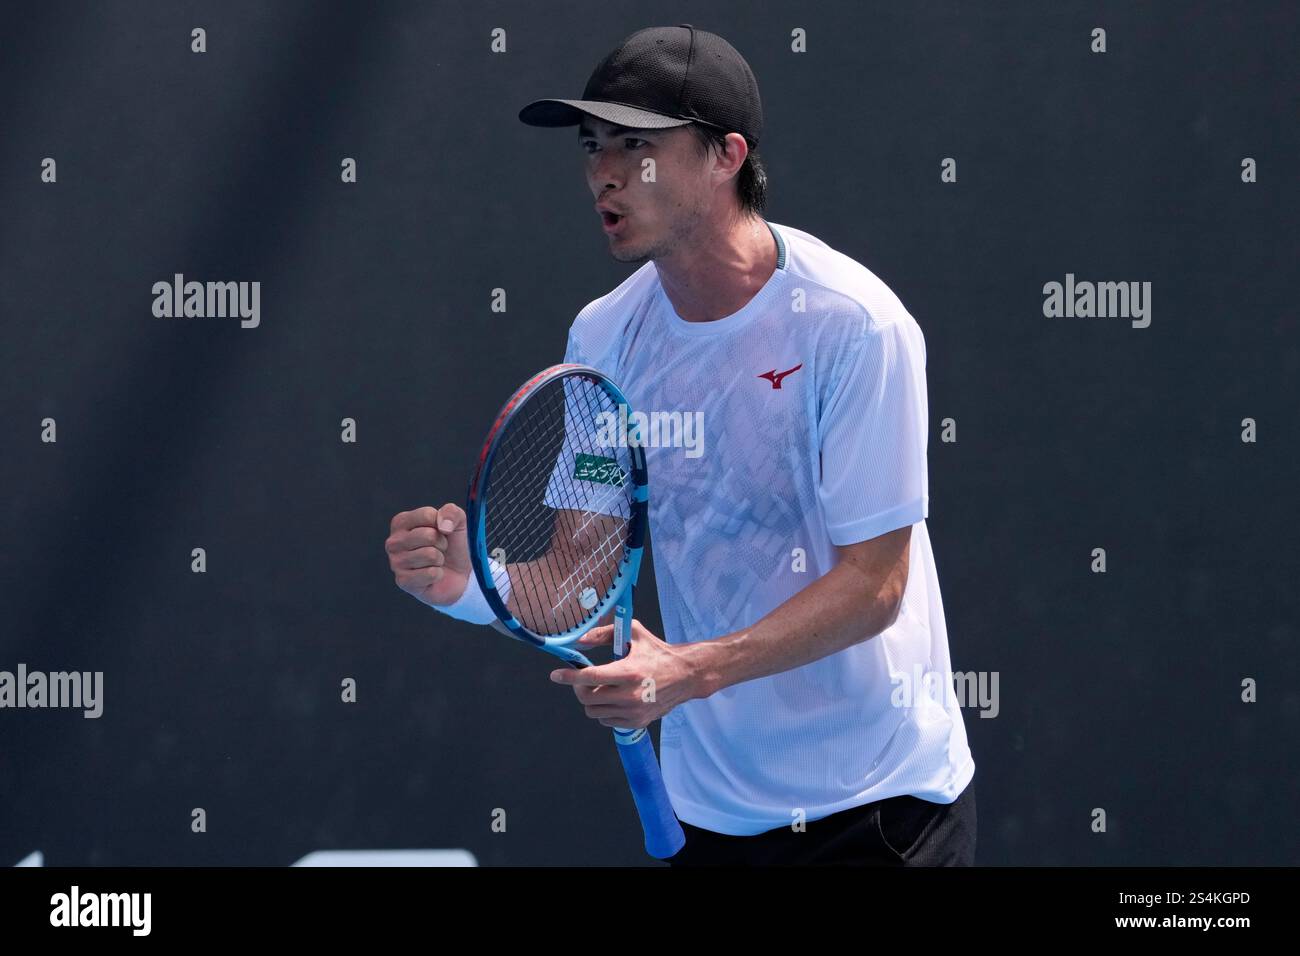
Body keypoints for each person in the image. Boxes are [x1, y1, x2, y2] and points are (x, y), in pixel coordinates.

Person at [386, 24, 976, 866]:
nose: (605, 172)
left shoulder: (855, 327)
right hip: (711, 814)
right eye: (594, 147)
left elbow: (875, 586)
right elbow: (581, 581)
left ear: (726, 155)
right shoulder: (606, 335)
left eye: (636, 144)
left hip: (881, 808)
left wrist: (690, 673)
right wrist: (475, 585)